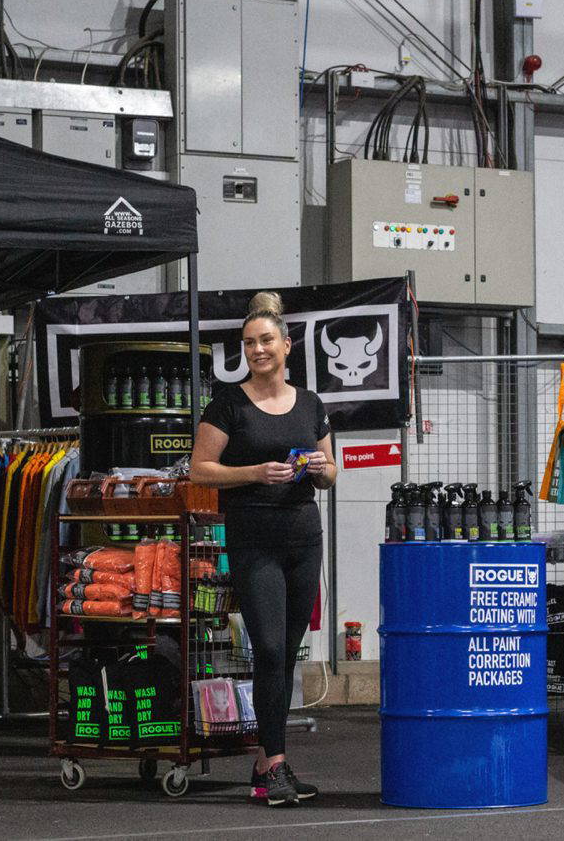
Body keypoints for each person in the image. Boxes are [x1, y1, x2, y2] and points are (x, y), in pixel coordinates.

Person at [191, 291, 336, 807]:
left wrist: (323, 471)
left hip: (304, 538)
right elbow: (199, 470)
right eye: (249, 343)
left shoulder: (313, 404)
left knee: (284, 656)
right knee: (270, 649)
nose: (257, 349)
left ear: (287, 345)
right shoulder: (228, 403)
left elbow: (332, 470)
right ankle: (274, 763)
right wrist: (253, 472)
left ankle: (267, 764)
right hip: (254, 539)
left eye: (266, 340)